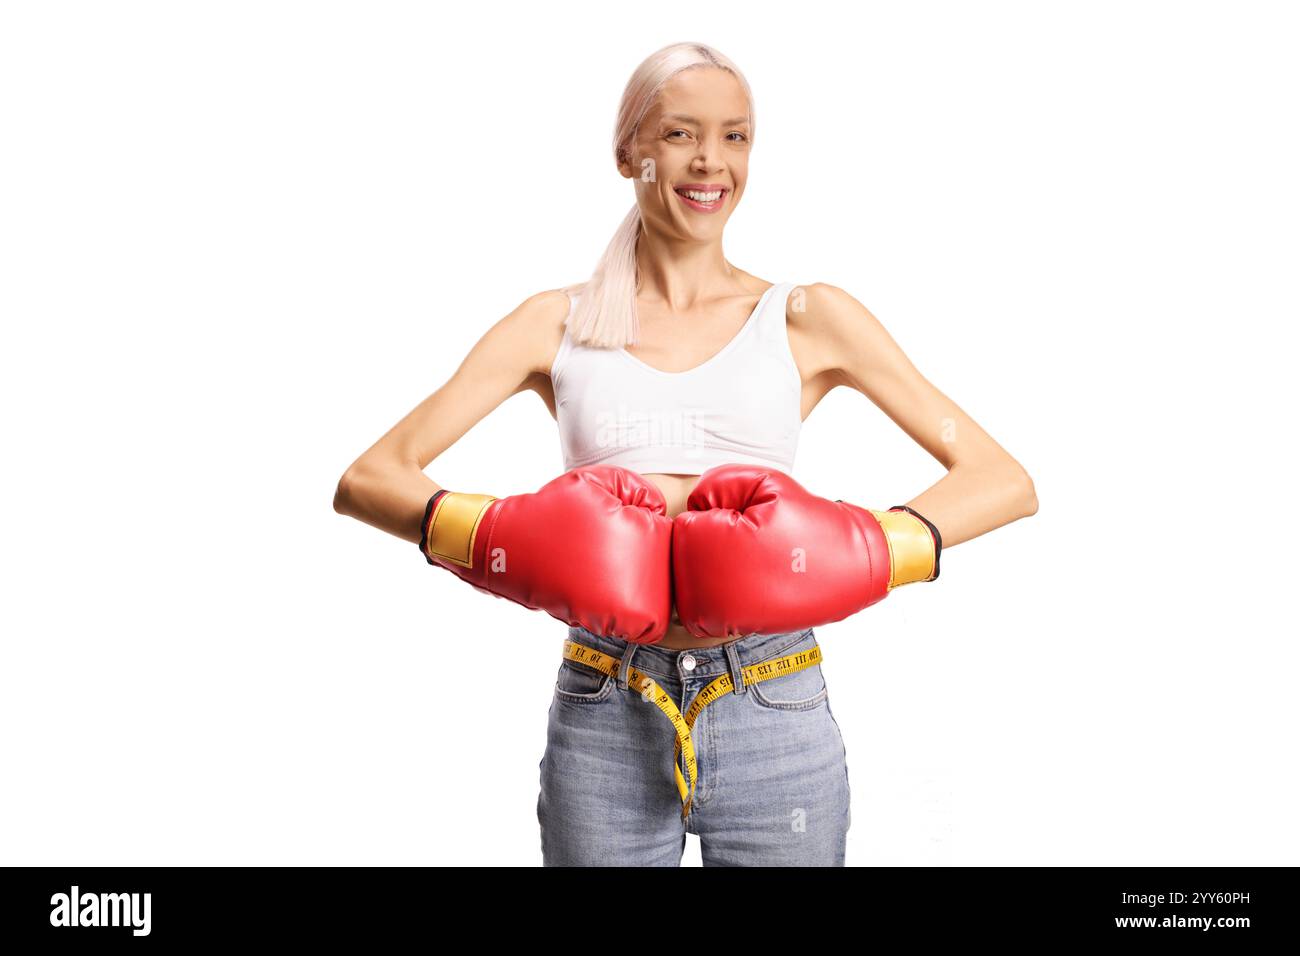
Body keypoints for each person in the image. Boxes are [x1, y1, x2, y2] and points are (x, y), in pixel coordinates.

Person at [333, 41, 1038, 866]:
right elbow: (369, 478)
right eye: (680, 135)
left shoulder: (808, 317)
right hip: (607, 699)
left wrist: (862, 550)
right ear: (627, 150)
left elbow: (1002, 481)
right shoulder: (553, 323)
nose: (712, 162)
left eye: (736, 137)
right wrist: (504, 542)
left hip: (772, 698)